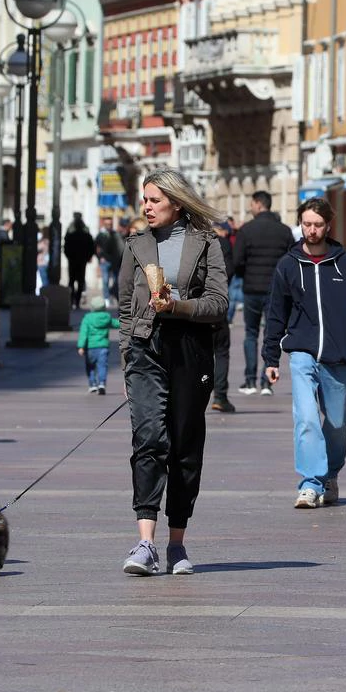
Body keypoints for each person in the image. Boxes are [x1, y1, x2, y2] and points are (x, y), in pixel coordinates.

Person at [118, 169, 229, 577]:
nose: (145, 207)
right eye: (144, 199)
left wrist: (177, 307)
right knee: (148, 437)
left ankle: (176, 545)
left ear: (177, 203)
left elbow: (219, 304)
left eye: (154, 200)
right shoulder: (135, 245)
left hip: (190, 351)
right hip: (147, 348)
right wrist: (128, 355)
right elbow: (126, 306)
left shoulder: (206, 244)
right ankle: (144, 542)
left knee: (185, 446)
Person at [264, 198, 346, 508]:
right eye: (307, 224)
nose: (311, 230)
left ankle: (330, 475)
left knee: (337, 425)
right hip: (302, 351)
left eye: (318, 225)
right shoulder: (288, 264)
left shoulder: (344, 262)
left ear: (328, 226)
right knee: (307, 419)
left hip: (338, 356)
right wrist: (270, 357)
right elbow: (275, 313)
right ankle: (310, 483)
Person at [233, 190, 295, 397]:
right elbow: (291, 262)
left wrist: (245, 275)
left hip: (251, 289)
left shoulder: (246, 230)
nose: (250, 208)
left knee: (251, 334)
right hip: (276, 291)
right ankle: (267, 381)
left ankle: (250, 381)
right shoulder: (284, 231)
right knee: (272, 334)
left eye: (251, 204)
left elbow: (237, 261)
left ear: (259, 204)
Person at [210, 221, 237, 413]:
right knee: (221, 351)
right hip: (216, 304)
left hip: (193, 305)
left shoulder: (192, 241)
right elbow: (230, 270)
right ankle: (220, 396)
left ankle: (192, 396)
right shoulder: (222, 243)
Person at [77, 294, 118, 394]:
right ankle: (102, 383)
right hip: (103, 347)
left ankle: (92, 384)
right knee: (102, 366)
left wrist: (81, 346)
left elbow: (83, 333)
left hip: (90, 348)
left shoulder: (87, 318)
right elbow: (116, 323)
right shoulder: (106, 317)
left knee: (90, 366)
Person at [63, 213, 96, 303]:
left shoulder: (71, 230)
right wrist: (88, 257)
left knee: (72, 280)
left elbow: (66, 245)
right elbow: (91, 245)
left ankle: (73, 300)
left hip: (74, 259)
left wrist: (69, 256)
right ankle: (76, 301)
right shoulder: (84, 230)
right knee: (79, 280)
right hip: (80, 260)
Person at [95, 216, 124, 304]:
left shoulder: (115, 234)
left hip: (115, 261)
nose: (109, 225)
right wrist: (100, 258)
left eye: (110, 224)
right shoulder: (100, 235)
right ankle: (106, 298)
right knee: (105, 280)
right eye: (107, 224)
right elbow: (96, 248)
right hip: (105, 261)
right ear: (104, 224)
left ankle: (114, 294)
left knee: (117, 280)